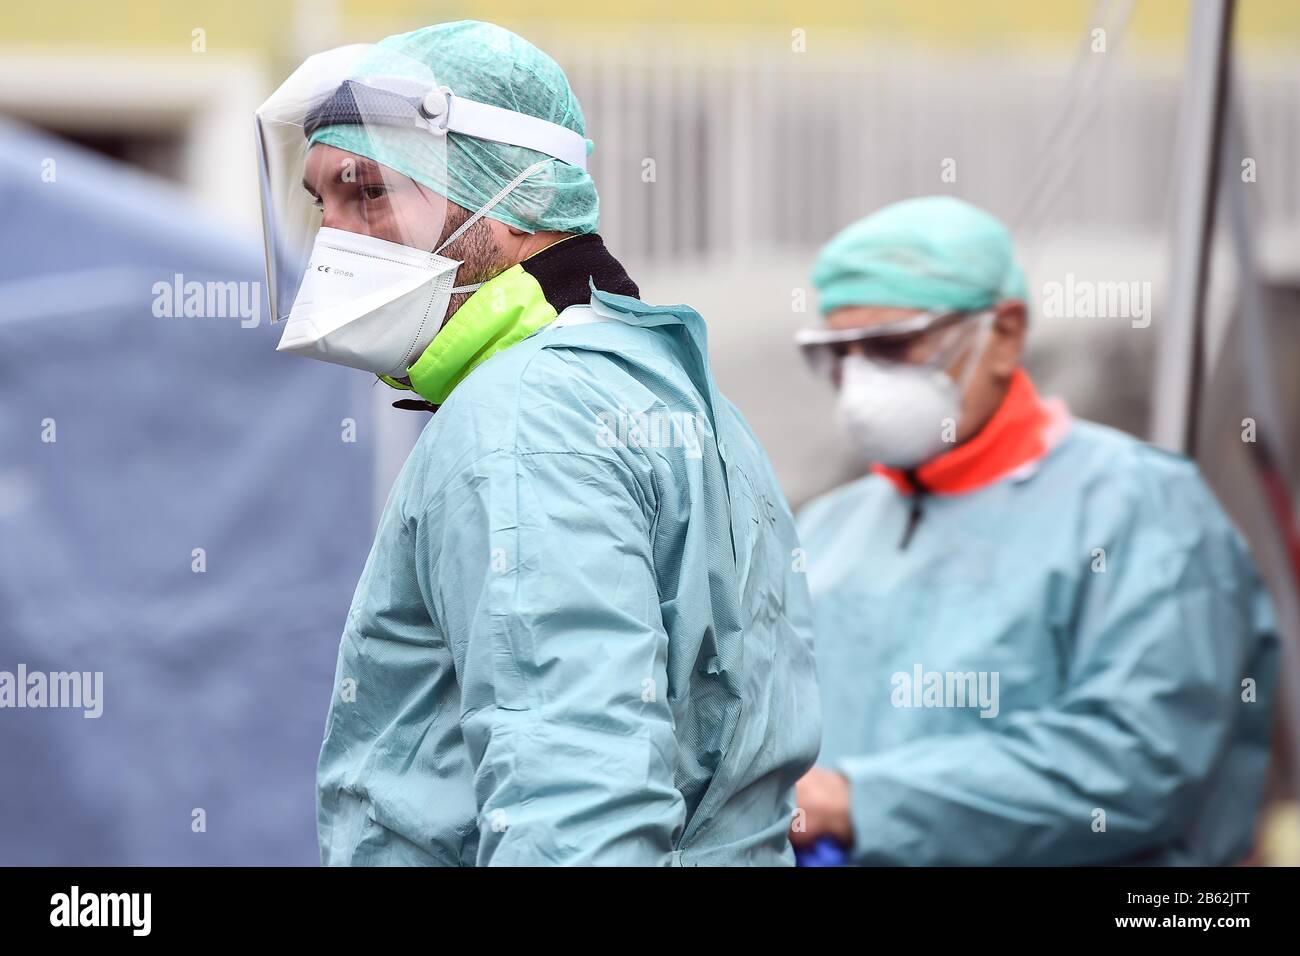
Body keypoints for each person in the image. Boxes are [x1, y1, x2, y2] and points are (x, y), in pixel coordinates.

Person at [255, 20, 820, 866]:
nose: (337, 240)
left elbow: (578, 804)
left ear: (510, 193)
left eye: (368, 190)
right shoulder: (661, 382)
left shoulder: (527, 415)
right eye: (321, 204)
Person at [788, 196, 1277, 865]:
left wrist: (859, 803)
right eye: (838, 355)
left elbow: (1141, 762)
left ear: (1005, 334)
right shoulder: (825, 530)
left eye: (892, 346)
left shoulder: (1142, 508)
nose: (860, 380)